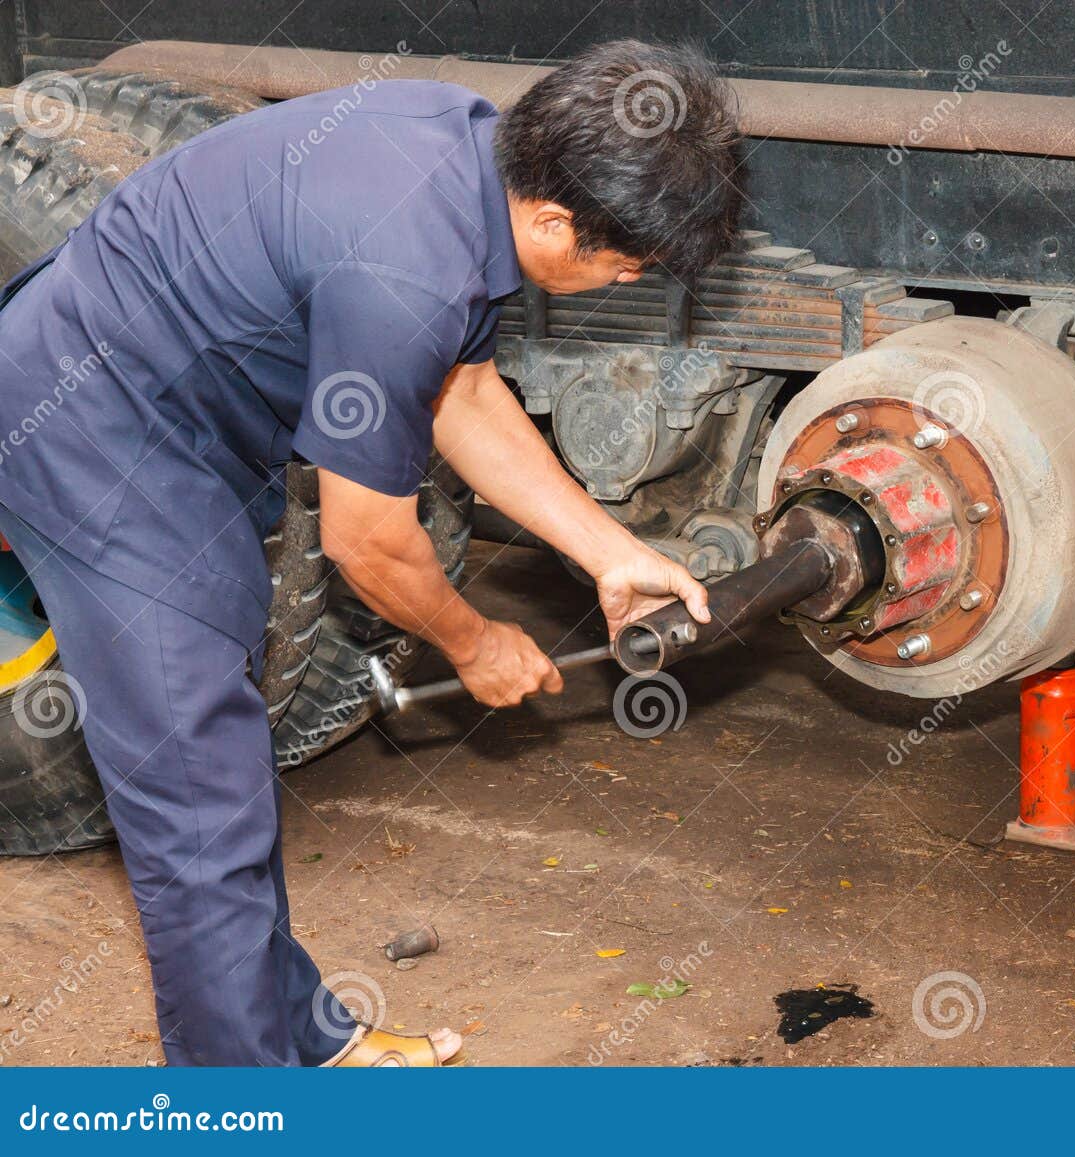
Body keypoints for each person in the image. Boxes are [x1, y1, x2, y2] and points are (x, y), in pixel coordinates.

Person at [0, 39, 742, 1066]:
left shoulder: (465, 149)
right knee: (197, 806)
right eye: (627, 262)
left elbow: (464, 394)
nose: (630, 277)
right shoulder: (408, 270)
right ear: (554, 222)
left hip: (171, 418)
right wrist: (474, 643)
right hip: (93, 430)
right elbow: (367, 541)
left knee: (218, 772)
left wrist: (610, 552)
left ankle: (299, 1036)